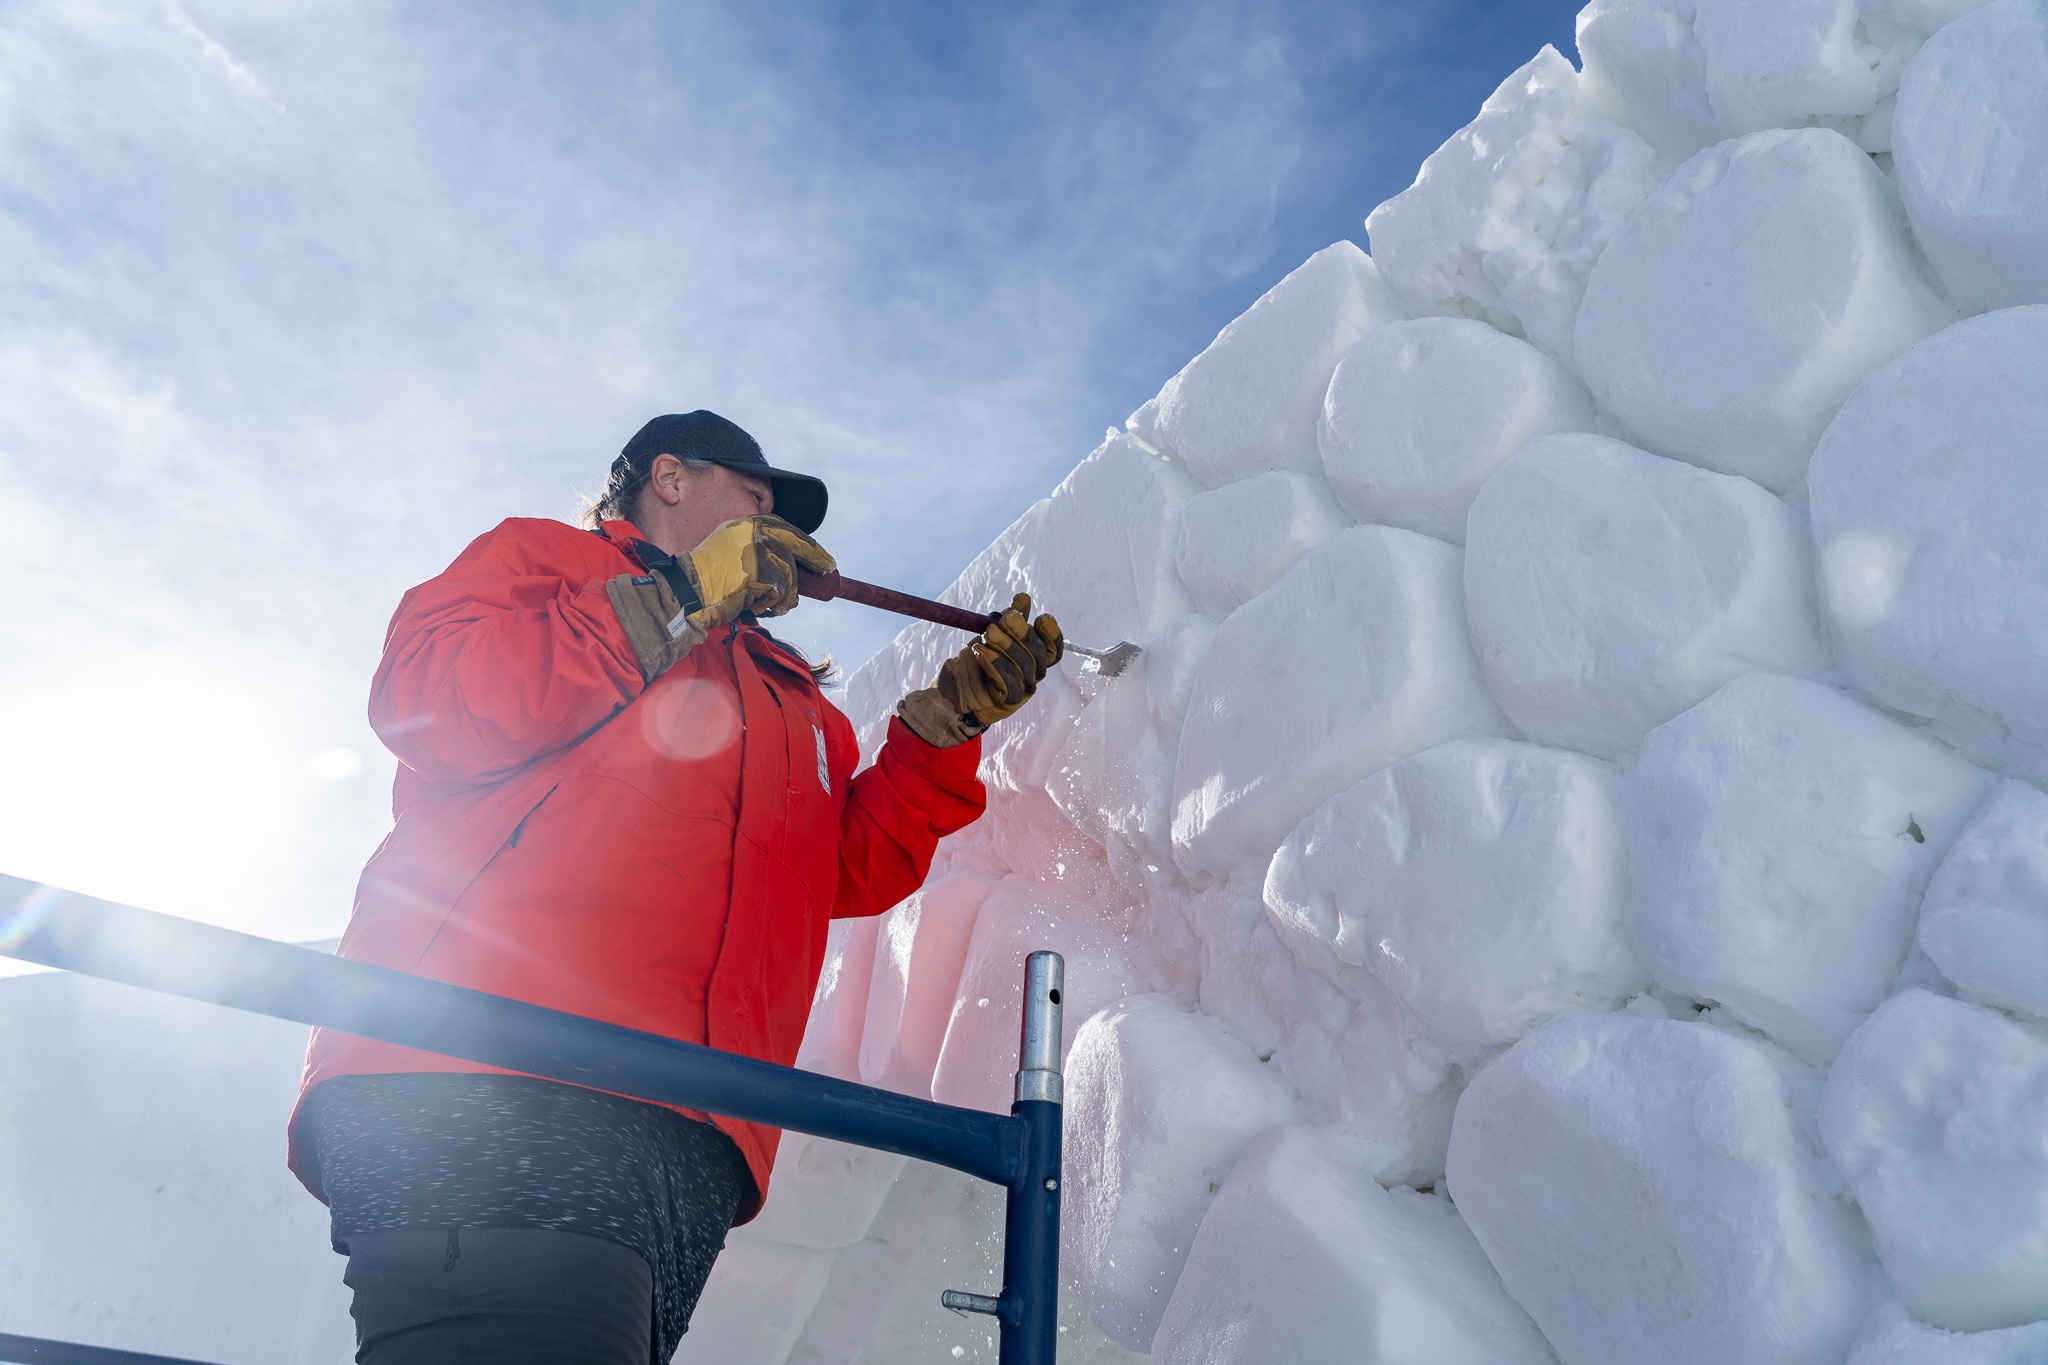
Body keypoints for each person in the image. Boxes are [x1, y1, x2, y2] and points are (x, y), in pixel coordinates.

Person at [285, 410, 1063, 1364]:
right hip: (496, 1070)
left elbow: (835, 871)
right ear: (671, 477)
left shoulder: (794, 699)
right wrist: (678, 600)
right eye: (756, 491)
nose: (773, 513)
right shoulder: (549, 564)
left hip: (690, 1132)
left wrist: (940, 735)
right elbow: (430, 699)